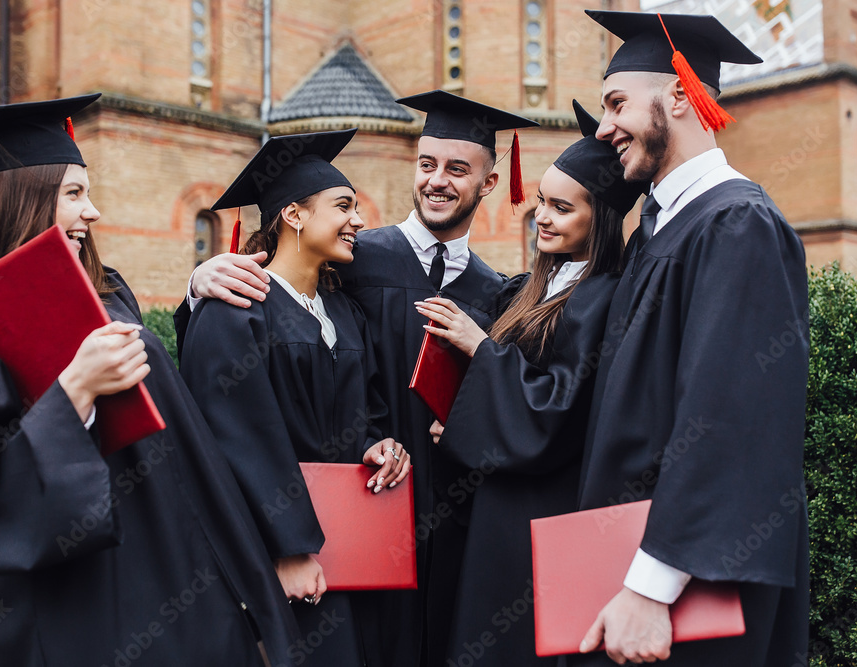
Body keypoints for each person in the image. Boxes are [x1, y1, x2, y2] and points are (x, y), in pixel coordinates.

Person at [0, 94, 301, 666]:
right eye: (74, 194)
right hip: (87, 622)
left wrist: (195, 289)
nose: (94, 212)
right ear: (17, 202)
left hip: (190, 586)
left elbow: (173, 415)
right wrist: (72, 396)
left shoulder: (103, 297)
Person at [178, 91, 538, 666]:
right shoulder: (354, 260)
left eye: (457, 169)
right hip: (351, 529)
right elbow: (238, 391)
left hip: (455, 531)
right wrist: (199, 283)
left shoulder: (496, 293)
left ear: (489, 184)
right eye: (426, 164)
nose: (437, 180)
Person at [570, 11, 810, 666]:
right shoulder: (661, 230)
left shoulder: (738, 225)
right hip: (630, 572)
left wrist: (651, 586)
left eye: (617, 103)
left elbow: (731, 417)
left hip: (687, 591)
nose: (603, 127)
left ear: (678, 94)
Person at [416, 101, 645, 666]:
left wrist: (479, 347)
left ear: (602, 219)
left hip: (538, 513)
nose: (542, 216)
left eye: (562, 208)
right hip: (502, 504)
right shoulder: (536, 286)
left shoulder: (600, 298)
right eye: (542, 200)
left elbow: (559, 409)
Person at [178, 128, 413, 667]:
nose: (358, 220)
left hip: (349, 545)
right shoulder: (235, 310)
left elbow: (367, 412)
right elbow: (237, 442)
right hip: (279, 555)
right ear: (294, 215)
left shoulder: (344, 313)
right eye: (343, 206)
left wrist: (379, 445)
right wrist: (287, 549)